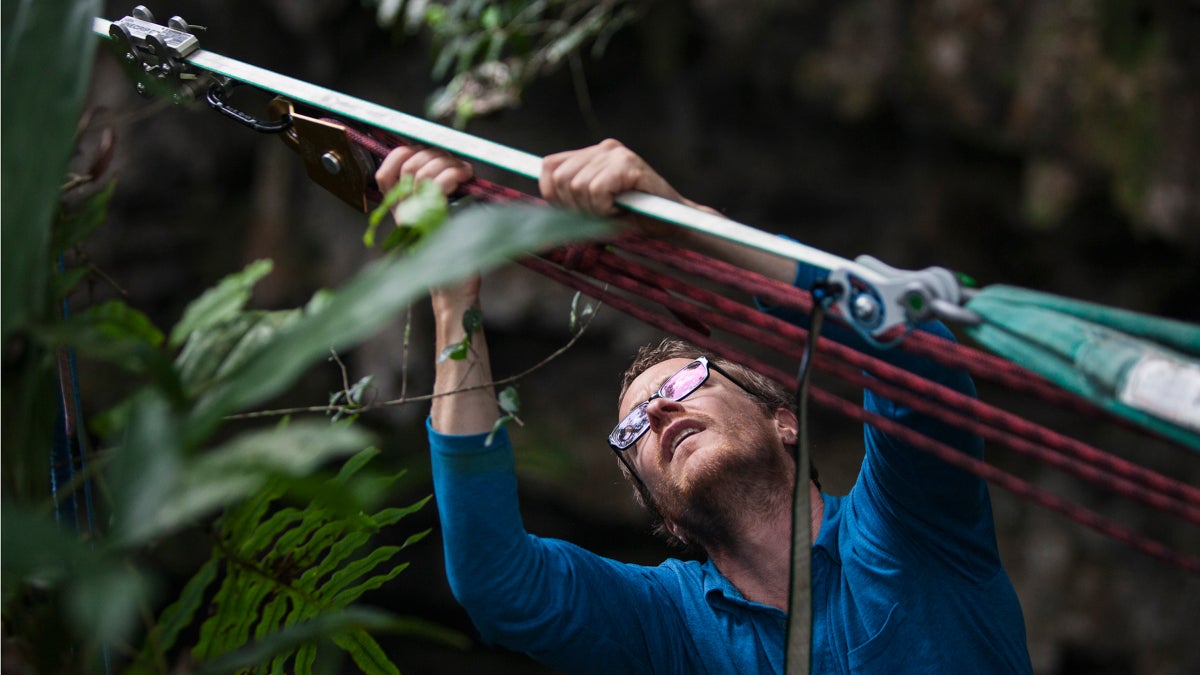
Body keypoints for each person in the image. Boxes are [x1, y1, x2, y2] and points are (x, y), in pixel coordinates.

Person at [375, 140, 1033, 674]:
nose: (659, 414)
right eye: (633, 428)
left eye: (688, 381)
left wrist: (686, 220)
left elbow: (909, 345)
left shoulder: (907, 523)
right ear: (666, 517)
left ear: (784, 419)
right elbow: (497, 581)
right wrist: (451, 297)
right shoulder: (671, 628)